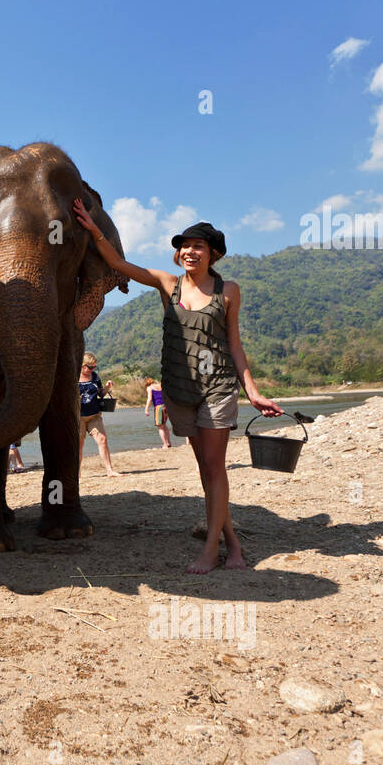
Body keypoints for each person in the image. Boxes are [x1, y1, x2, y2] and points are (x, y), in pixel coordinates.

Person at [73, 203, 283, 573]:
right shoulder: (167, 284)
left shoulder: (228, 290)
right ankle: (232, 543)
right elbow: (120, 265)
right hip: (179, 389)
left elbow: (235, 345)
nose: (190, 251)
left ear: (212, 253)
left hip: (217, 387)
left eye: (198, 246)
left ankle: (211, 549)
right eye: (185, 245)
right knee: (206, 468)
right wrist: (94, 230)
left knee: (216, 468)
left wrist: (252, 391)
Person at [79, 352, 122, 476]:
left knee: (103, 440)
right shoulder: (73, 376)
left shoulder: (95, 376)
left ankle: (109, 470)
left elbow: (100, 394)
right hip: (78, 417)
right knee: (79, 445)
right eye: (90, 367)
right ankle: (77, 473)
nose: (92, 369)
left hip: (94, 415)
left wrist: (107, 388)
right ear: (82, 365)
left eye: (94, 367)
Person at [143, 377, 173, 448]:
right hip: (166, 406)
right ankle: (169, 443)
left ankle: (165, 444)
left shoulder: (149, 388)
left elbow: (149, 399)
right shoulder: (160, 385)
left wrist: (146, 409)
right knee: (164, 425)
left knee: (160, 427)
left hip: (158, 407)